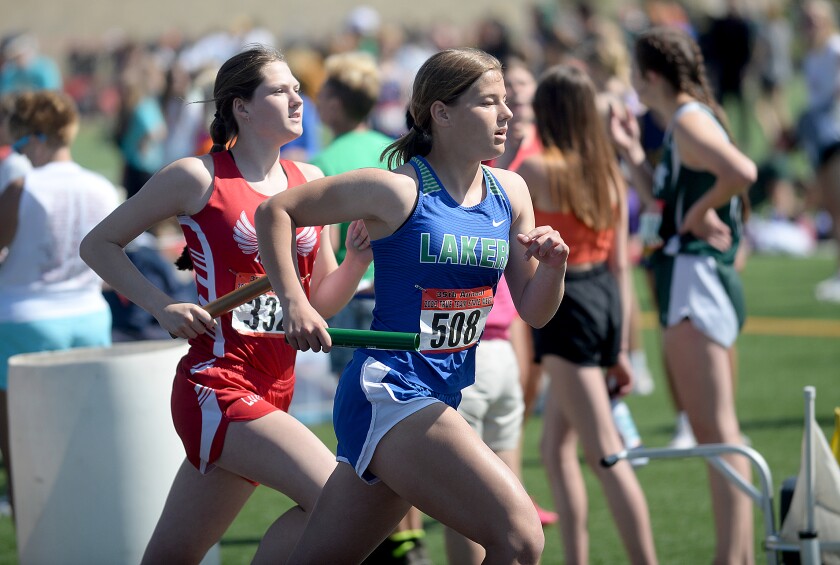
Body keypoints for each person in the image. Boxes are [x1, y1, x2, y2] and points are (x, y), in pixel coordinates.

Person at [254, 47, 569, 564]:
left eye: (505, 101)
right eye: (489, 103)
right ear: (441, 113)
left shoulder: (510, 191)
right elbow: (277, 212)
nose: (507, 115)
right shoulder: (395, 189)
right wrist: (295, 302)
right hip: (391, 390)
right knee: (520, 537)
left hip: (441, 391)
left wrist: (554, 266)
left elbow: (536, 311)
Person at [80, 45, 372, 564]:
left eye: (298, 90)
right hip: (218, 382)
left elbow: (320, 305)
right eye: (280, 90)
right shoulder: (196, 176)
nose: (297, 99)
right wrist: (160, 305)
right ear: (241, 106)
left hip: (276, 385)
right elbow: (98, 244)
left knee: (171, 556)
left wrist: (353, 263)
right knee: (338, 500)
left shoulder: (308, 183)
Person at [609, 26, 758, 564]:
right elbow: (666, 199)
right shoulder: (683, 122)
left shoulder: (690, 120)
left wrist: (699, 214)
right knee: (713, 430)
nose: (631, 82)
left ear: (650, 76)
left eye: (634, 72)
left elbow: (742, 172)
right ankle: (734, 554)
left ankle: (732, 557)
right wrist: (631, 154)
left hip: (697, 282)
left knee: (717, 432)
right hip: (690, 282)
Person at [517, 64, 658, 564]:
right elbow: (621, 267)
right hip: (599, 298)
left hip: (566, 302)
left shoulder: (536, 169)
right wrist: (618, 344)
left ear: (548, 114)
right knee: (555, 447)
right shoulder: (610, 176)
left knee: (604, 453)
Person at [0, 90, 118, 515]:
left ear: (33, 138)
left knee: (21, 443)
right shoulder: (101, 185)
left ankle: (33, 523)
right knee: (82, 434)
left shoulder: (22, 184)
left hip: (23, 317)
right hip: (88, 314)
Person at [797, 0, 840, 303]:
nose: (810, 26)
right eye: (806, 20)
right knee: (832, 208)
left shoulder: (835, 49)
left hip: (836, 134)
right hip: (821, 138)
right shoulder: (811, 57)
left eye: (814, 19)